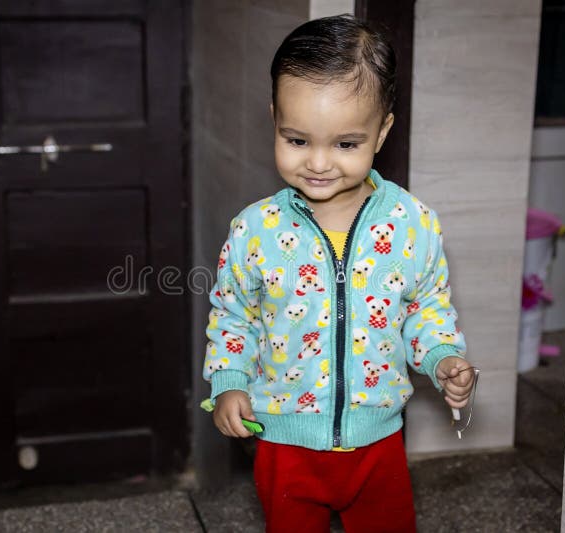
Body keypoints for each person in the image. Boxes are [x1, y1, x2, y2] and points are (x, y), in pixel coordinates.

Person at [202, 14, 475, 533]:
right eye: (297, 139)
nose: (320, 163)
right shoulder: (255, 229)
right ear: (274, 121)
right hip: (285, 442)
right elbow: (233, 314)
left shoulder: (411, 223)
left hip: (378, 445)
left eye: (346, 143)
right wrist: (230, 380)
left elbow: (427, 307)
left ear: (383, 131)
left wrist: (443, 357)